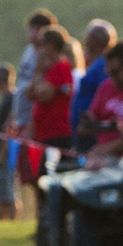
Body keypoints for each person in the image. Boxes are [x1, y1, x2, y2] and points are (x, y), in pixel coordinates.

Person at [25, 24, 74, 154]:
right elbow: (28, 93)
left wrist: (39, 72)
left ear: (51, 45)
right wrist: (39, 71)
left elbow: (43, 95)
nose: (39, 49)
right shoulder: (47, 69)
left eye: (42, 44)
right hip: (43, 133)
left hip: (56, 133)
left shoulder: (61, 67)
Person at [70, 19, 117, 152]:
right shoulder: (94, 64)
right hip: (83, 129)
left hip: (93, 132)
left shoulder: (103, 65)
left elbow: (105, 95)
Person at [11, 9, 57, 139]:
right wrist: (13, 115)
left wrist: (32, 123)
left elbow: (42, 91)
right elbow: (21, 84)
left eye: (37, 29)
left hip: (35, 120)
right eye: (31, 28)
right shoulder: (28, 51)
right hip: (21, 116)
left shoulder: (47, 56)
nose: (32, 33)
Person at [0, 62, 20, 220]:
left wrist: (2, 151)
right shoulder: (9, 98)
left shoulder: (10, 99)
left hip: (7, 151)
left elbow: (9, 128)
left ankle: (10, 222)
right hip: (5, 150)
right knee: (4, 192)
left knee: (8, 192)